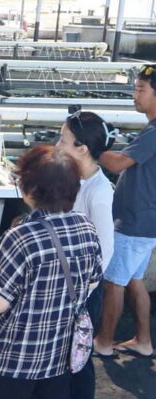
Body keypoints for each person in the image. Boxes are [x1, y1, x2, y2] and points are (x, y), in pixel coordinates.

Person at [0, 145, 104, 399]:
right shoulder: (86, 227)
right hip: (59, 356)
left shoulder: (20, 236)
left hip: (14, 359)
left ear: (29, 190)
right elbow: (93, 282)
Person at [56, 110, 116, 399]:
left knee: (78, 359)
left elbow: (106, 250)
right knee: (67, 357)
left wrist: (81, 288)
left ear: (82, 149)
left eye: (63, 140)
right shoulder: (77, 178)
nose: (58, 145)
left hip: (83, 290)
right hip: (71, 284)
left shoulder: (99, 191)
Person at [94, 63, 156, 359]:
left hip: (133, 222)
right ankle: (143, 340)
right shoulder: (150, 130)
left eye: (141, 90)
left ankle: (104, 341)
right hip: (146, 220)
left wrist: (90, 147)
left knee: (114, 283)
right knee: (133, 281)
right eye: (134, 89)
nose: (135, 95)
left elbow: (118, 164)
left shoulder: (154, 132)